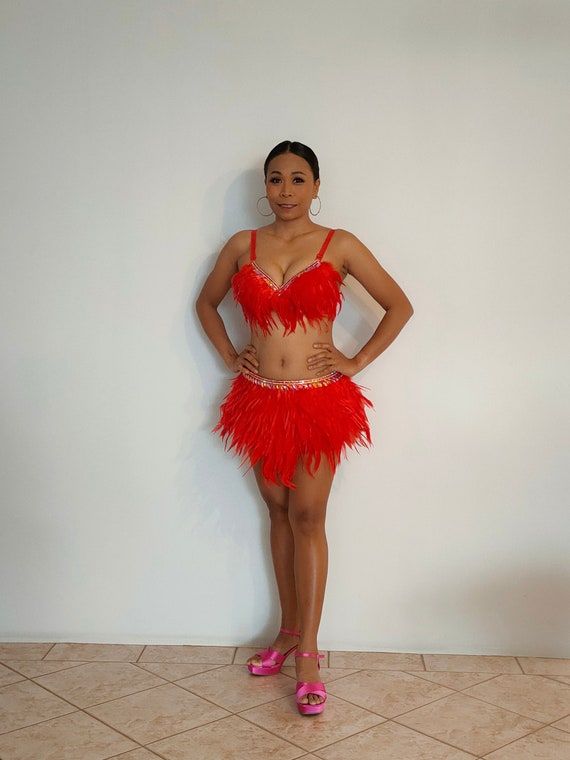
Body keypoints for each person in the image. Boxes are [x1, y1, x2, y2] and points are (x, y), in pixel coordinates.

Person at [196, 140, 413, 715]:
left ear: (317, 186)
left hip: (319, 401)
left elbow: (399, 305)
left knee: (308, 516)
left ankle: (310, 655)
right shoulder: (242, 245)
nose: (286, 190)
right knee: (276, 511)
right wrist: (229, 354)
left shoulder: (339, 244)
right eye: (275, 178)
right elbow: (206, 304)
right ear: (264, 186)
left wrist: (356, 360)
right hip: (259, 400)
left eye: (298, 179)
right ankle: (288, 632)